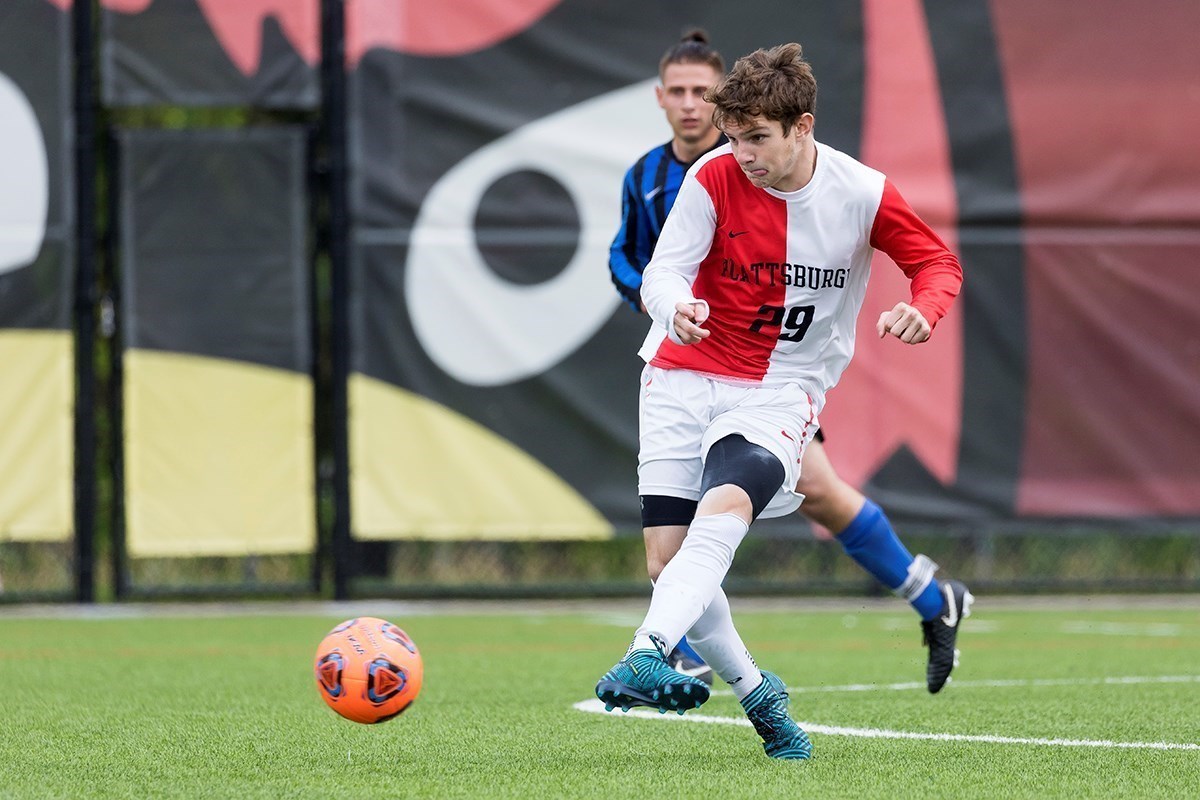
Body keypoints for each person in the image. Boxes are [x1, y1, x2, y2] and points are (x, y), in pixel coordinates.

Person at [597, 41, 967, 760]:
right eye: (735, 139)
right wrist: (674, 306)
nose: (743, 155)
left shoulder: (861, 192)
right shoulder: (711, 176)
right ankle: (761, 695)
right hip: (678, 376)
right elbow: (660, 273)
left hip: (779, 389)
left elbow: (935, 261)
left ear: (804, 127)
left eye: (758, 138)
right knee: (669, 567)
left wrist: (926, 307)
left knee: (727, 505)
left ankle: (648, 650)